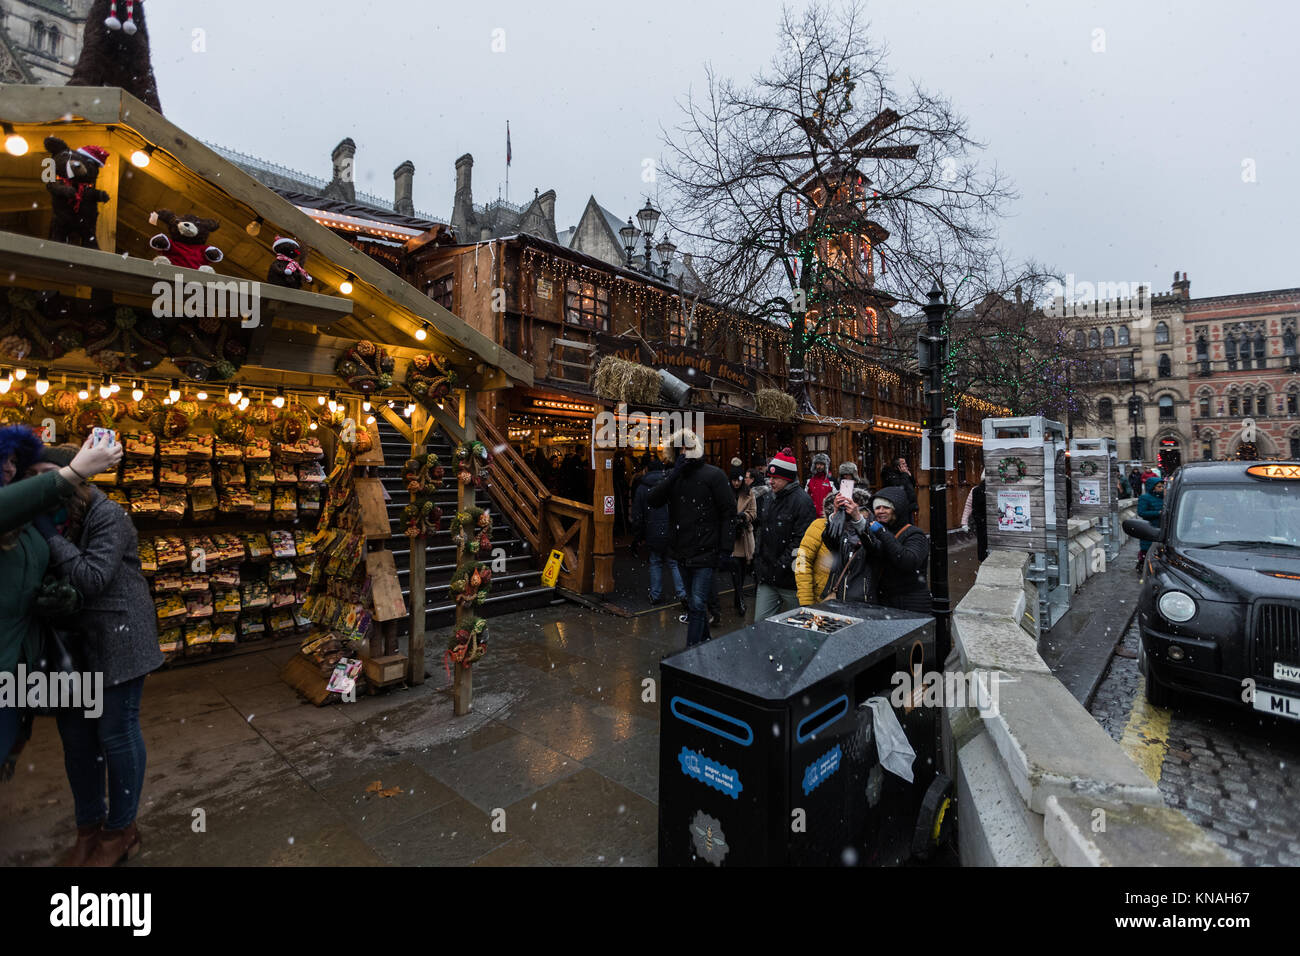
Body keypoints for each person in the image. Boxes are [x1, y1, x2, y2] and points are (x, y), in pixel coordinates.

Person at [24, 444, 162, 866]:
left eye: (53, 474)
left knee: (117, 733)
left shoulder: (108, 514)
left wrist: (48, 536)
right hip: (68, 646)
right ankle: (89, 827)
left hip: (119, 637)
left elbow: (91, 577)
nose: (46, 486)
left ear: (78, 474)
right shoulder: (39, 516)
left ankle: (120, 830)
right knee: (78, 742)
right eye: (36, 477)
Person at [0, 429, 123, 779]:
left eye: (13, 462)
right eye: (4, 461)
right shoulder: (20, 511)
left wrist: (55, 596)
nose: (8, 469)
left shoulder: (41, 519)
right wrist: (74, 472)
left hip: (22, 665)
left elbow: (83, 577)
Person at [647, 429, 735, 646]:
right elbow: (653, 500)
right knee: (695, 604)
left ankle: (691, 650)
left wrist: (725, 549)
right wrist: (674, 473)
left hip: (706, 550)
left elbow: (728, 513)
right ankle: (704, 643)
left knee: (696, 604)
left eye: (687, 448)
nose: (684, 452)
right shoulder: (674, 477)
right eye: (680, 449)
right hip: (682, 551)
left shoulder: (714, 475)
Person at [838, 485, 931, 613]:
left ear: (898, 510)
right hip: (885, 600)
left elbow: (908, 561)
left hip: (912, 602)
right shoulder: (878, 531)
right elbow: (874, 549)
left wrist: (881, 532)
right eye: (877, 508)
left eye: (886, 507)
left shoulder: (915, 534)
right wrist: (857, 519)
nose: (880, 511)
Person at [752, 448, 817, 620]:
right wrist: (758, 560)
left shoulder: (802, 502)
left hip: (791, 580)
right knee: (760, 624)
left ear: (787, 479)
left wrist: (780, 566)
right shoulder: (769, 498)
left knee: (799, 627)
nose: (770, 481)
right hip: (767, 577)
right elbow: (762, 533)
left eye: (775, 478)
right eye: (770, 477)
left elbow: (800, 541)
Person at [795, 491, 840, 605]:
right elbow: (802, 561)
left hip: (850, 602)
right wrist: (806, 601)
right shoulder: (819, 526)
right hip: (821, 599)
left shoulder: (858, 531)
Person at [728, 465, 757, 615]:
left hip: (744, 534)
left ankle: (737, 597)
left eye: (738, 480)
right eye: (733, 480)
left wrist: (743, 517)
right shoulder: (727, 492)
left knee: (742, 569)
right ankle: (739, 599)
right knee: (735, 569)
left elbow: (753, 512)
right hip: (731, 536)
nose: (736, 483)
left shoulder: (749, 492)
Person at [1136, 475, 1165, 573]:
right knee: (1147, 549)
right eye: (1159, 487)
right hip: (1149, 527)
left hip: (1162, 527)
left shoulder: (1165, 498)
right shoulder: (1145, 498)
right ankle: (1143, 566)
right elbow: (1141, 512)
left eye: (1162, 486)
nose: (1161, 488)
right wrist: (1158, 513)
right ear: (1152, 487)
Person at [960, 469, 990, 561]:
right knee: (985, 545)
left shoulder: (975, 490)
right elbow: (968, 506)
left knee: (983, 545)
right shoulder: (976, 490)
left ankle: (984, 560)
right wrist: (964, 522)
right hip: (985, 523)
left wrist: (964, 522)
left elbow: (968, 506)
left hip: (981, 523)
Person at [880, 456, 918, 521]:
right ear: (897, 466)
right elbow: (900, 486)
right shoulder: (891, 474)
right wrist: (904, 474)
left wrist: (910, 476)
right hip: (899, 506)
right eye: (903, 464)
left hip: (908, 506)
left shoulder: (904, 473)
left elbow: (913, 484)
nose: (905, 465)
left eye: (905, 463)